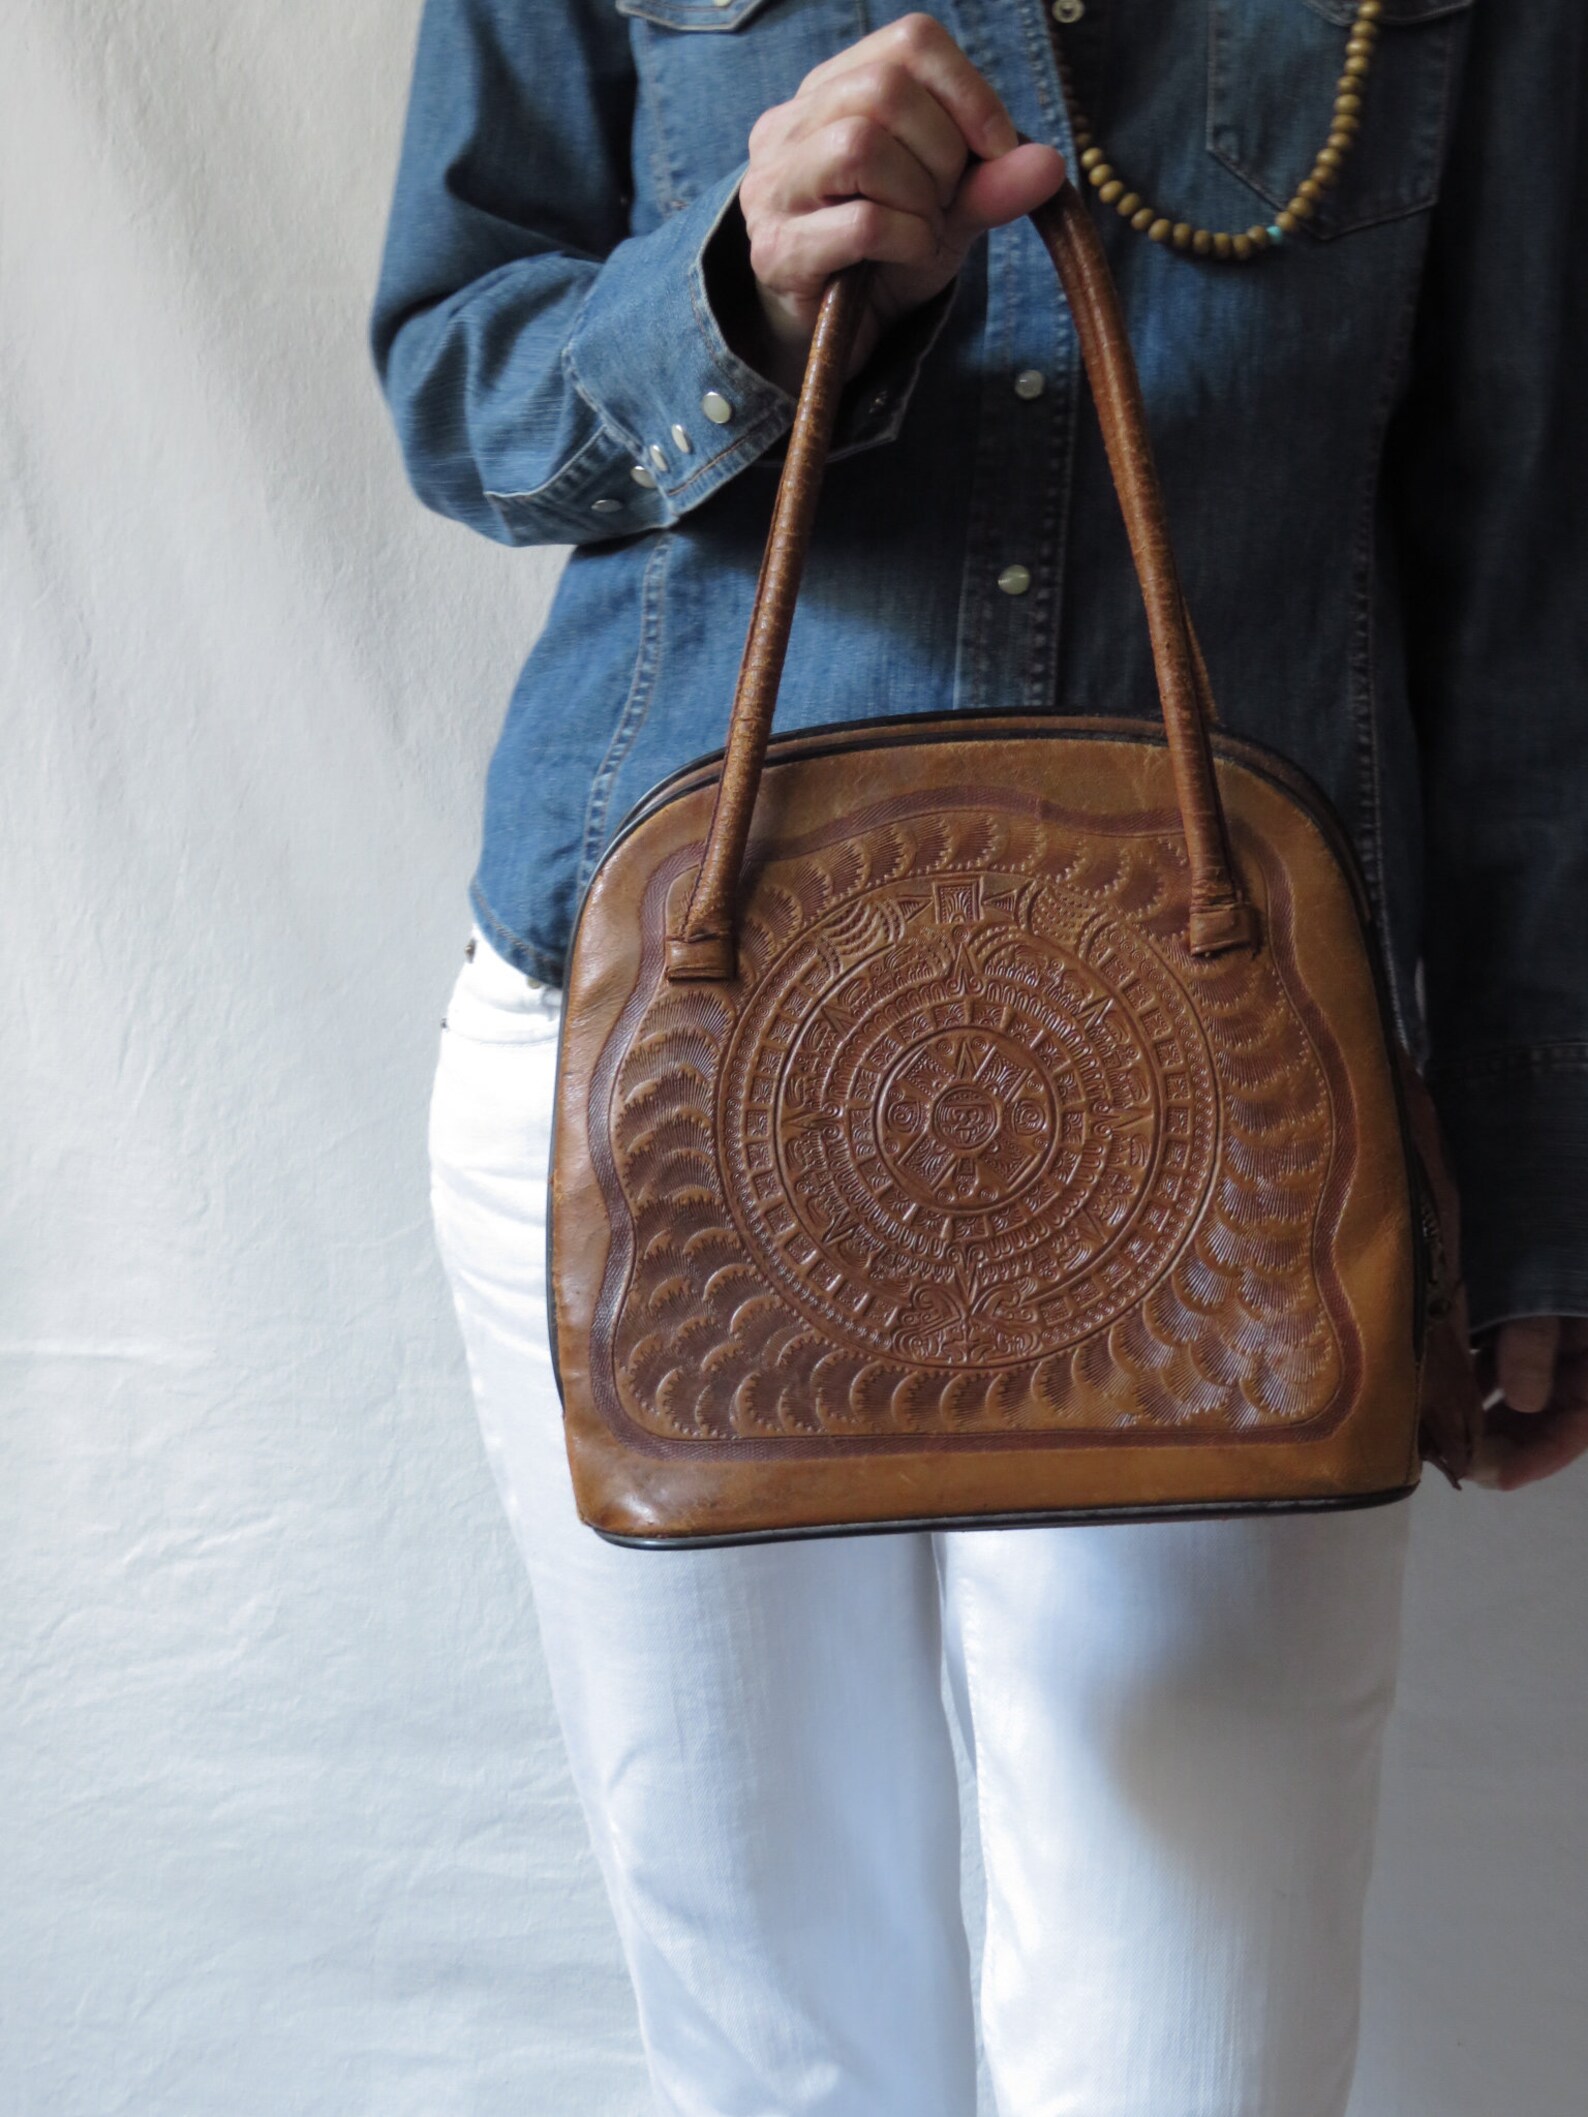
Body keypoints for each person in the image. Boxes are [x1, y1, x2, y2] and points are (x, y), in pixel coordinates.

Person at [372, 5, 1587, 2111]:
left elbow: (1528, 536)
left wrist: (1537, 1142)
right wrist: (739, 294)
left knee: (1192, 2058)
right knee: (778, 2053)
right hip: (657, 1065)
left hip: (1235, 1104)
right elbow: (455, 379)